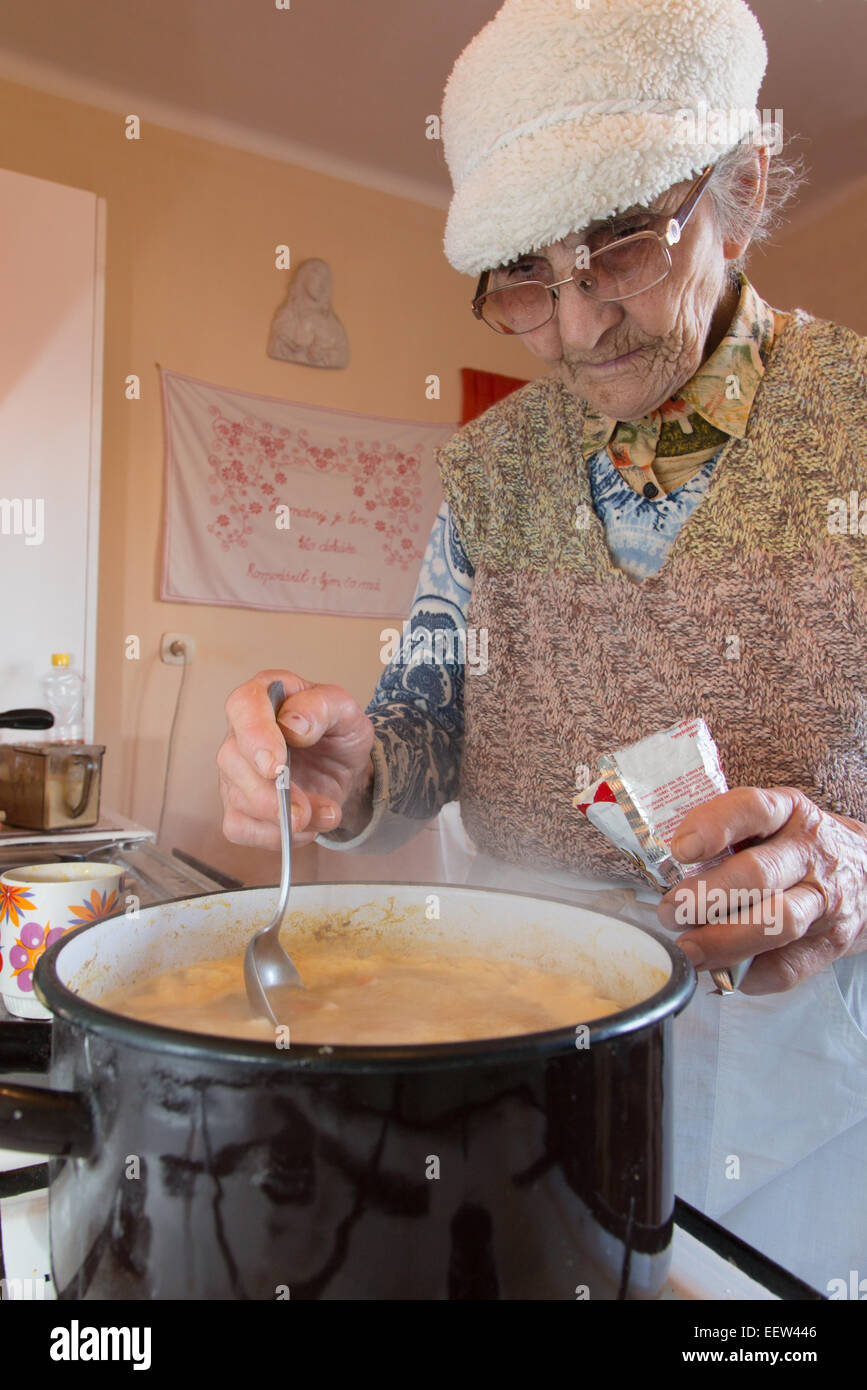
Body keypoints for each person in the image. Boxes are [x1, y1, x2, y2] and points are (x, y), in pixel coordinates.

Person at [218, 0, 867, 1293]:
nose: (575, 328)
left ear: (740, 186)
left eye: (619, 246)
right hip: (511, 1035)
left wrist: (851, 866)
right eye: (524, 275)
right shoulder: (489, 467)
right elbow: (425, 722)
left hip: (802, 1089)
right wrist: (350, 769)